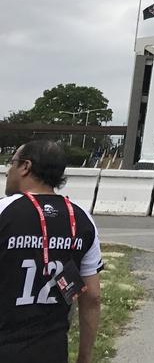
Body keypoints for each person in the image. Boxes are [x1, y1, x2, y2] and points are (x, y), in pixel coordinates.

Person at [1, 140, 103, 363]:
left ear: (25, 167)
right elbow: (92, 297)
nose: (8, 170)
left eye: (12, 163)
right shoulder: (83, 220)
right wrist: (85, 357)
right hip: (53, 350)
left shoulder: (3, 211)